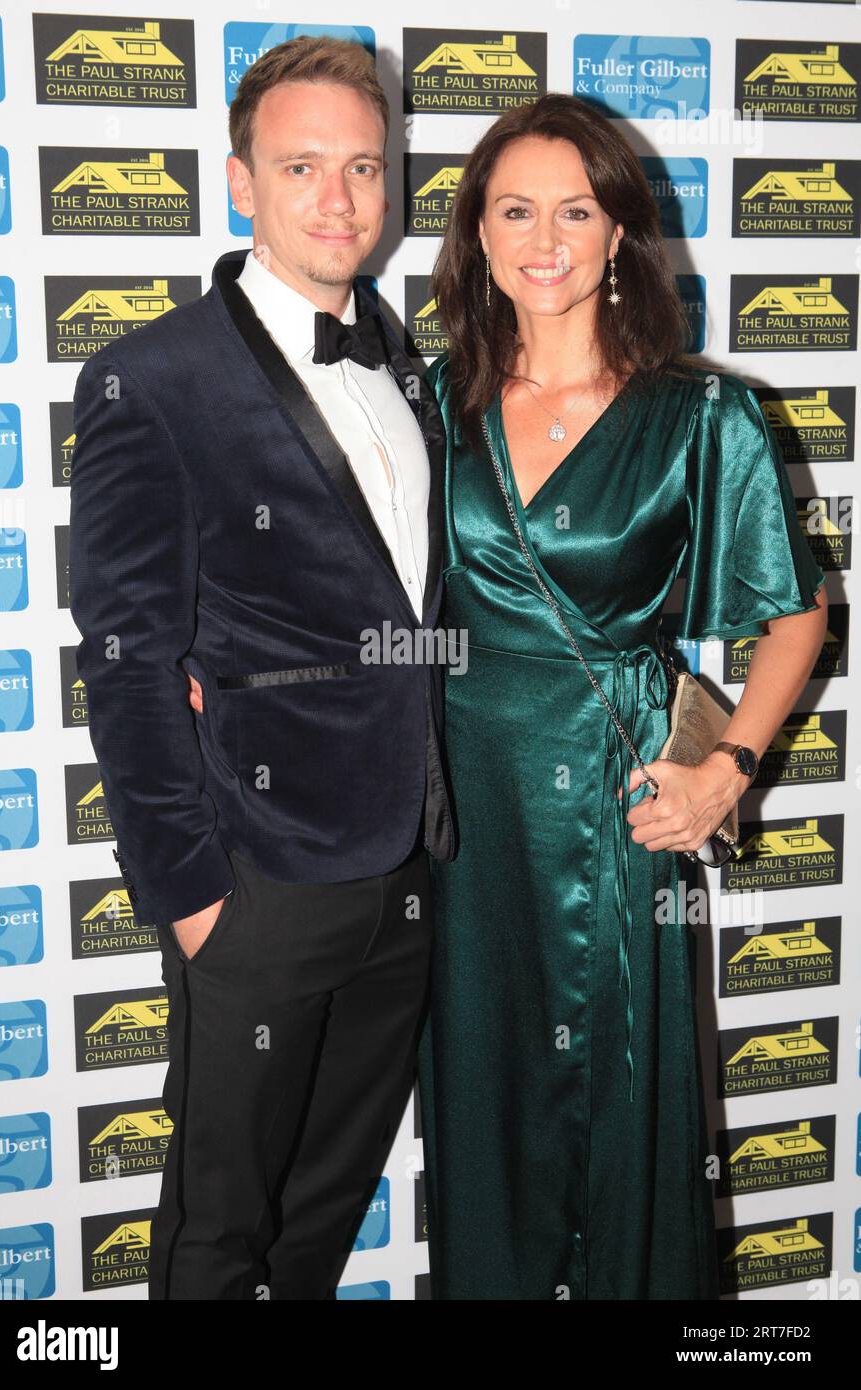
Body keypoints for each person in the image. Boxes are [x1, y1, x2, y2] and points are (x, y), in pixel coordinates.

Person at [416, 93, 828, 1300]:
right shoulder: (431, 401)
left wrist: (727, 766)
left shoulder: (703, 416)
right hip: (460, 807)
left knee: (614, 1097)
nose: (545, 238)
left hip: (612, 791)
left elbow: (795, 616)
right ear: (479, 237)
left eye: (575, 210)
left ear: (617, 236)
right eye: (515, 209)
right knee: (482, 1091)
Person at [68, 36, 454, 1300]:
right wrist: (190, 895)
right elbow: (125, 659)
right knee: (219, 1236)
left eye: (362, 167)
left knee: (323, 1215)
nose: (339, 199)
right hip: (260, 878)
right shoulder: (157, 376)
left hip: (408, 874)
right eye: (303, 168)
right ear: (241, 181)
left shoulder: (412, 366)